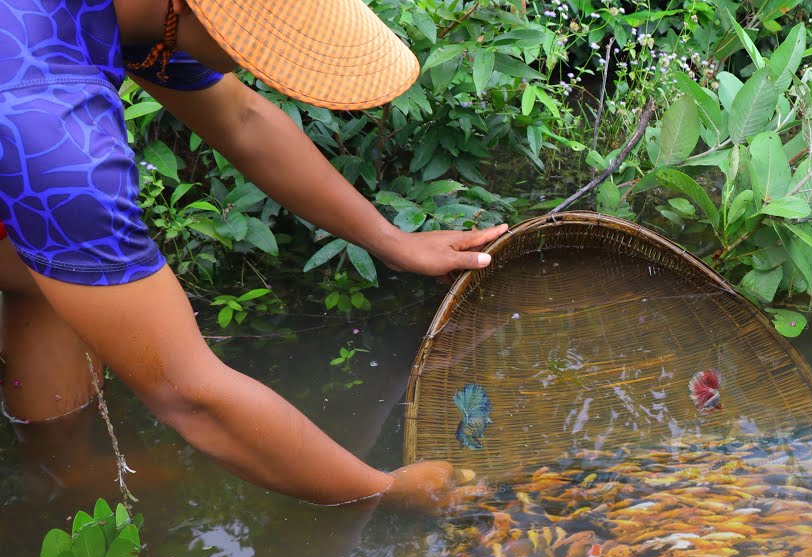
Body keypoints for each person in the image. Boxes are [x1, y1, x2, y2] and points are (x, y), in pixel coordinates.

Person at [0, 0, 507, 507]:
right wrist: (382, 489)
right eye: (262, 38)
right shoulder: (55, 136)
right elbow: (190, 395)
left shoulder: (137, 14)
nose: (265, 60)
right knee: (66, 260)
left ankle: (61, 467)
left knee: (41, 275)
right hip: (29, 130)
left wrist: (391, 241)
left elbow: (241, 119)